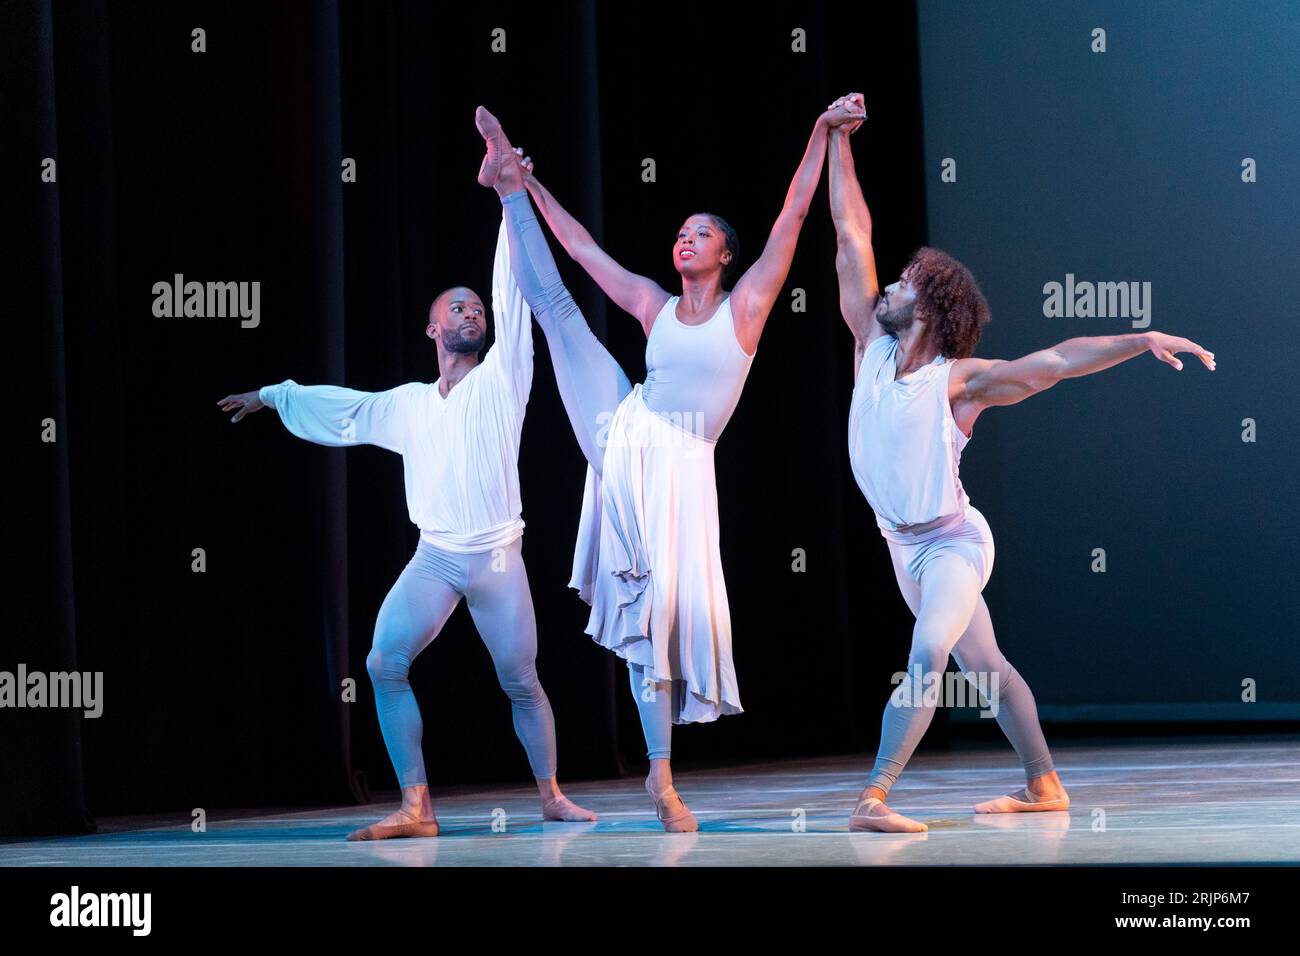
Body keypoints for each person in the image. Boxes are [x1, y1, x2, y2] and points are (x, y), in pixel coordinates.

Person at [826, 93, 1216, 832]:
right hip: (900, 545)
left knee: (928, 653)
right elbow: (851, 232)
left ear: (932, 309)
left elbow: (1058, 361)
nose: (893, 283)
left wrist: (1138, 339)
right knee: (989, 669)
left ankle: (872, 798)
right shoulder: (869, 347)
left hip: (950, 544)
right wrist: (837, 139)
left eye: (907, 280)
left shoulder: (959, 380)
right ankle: (1045, 785)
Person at [472, 99, 865, 831]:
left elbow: (794, 214)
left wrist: (820, 128)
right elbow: (585, 250)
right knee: (557, 304)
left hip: (681, 474)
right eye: (681, 232)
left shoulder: (745, 307)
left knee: (654, 629)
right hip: (624, 430)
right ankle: (506, 185)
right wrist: (529, 183)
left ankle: (661, 779)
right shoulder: (653, 306)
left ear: (726, 255)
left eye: (701, 234)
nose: (685, 240)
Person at [216, 215, 596, 840]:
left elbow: (511, 290)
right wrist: (275, 393)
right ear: (433, 328)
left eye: (476, 308)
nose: (472, 313)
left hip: (498, 559)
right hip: (435, 559)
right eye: (457, 307)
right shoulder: (410, 405)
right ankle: (417, 807)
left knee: (521, 679)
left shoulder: (505, 378)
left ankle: (551, 796)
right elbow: (349, 409)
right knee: (383, 661)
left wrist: (507, 203)